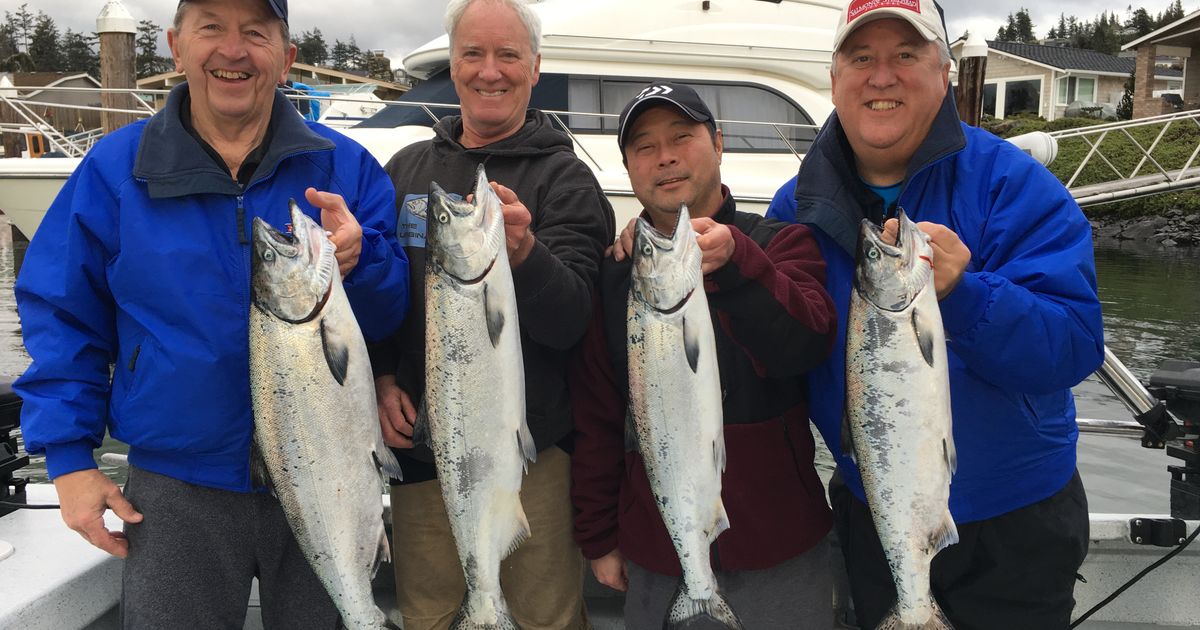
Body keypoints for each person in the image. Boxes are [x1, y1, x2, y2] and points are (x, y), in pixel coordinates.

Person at [13, 0, 409, 627]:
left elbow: (390, 317)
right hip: (175, 488)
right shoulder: (115, 171)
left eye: (255, 31)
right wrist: (69, 461)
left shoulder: (345, 167)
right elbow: (63, 320)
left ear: (287, 57)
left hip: (331, 470)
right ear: (176, 46)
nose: (233, 49)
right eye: (211, 28)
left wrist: (366, 263)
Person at [766, 1, 1105, 627]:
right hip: (875, 507)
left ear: (944, 72)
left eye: (906, 56)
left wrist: (965, 294)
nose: (881, 76)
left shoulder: (1013, 185)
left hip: (1016, 520)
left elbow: (1073, 346)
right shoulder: (796, 207)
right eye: (861, 58)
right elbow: (779, 345)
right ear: (836, 79)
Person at [369, 0, 613, 628]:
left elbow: (574, 320)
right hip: (423, 455)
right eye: (473, 54)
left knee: (545, 616)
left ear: (534, 68)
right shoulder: (406, 171)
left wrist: (526, 254)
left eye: (508, 55)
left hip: (530, 455)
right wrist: (383, 375)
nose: (490, 71)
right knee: (431, 614)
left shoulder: (567, 182)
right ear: (453, 66)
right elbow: (379, 293)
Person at [570, 81, 838, 628]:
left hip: (777, 545)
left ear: (717, 143)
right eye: (644, 146)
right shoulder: (615, 275)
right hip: (658, 550)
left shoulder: (781, 244)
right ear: (628, 167)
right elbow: (596, 416)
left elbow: (806, 345)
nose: (664, 156)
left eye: (681, 136)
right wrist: (598, 535)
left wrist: (740, 263)